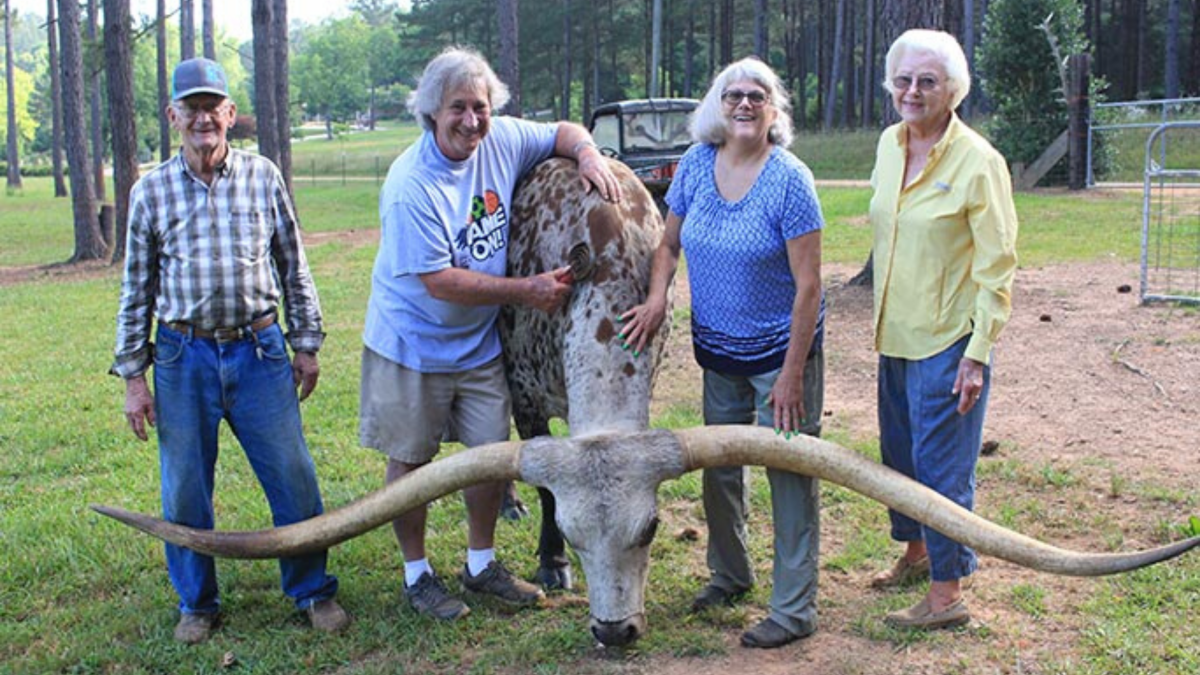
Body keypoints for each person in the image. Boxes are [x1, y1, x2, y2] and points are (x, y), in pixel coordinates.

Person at [359, 46, 622, 621]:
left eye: (480, 106)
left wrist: (587, 152)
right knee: (411, 461)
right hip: (413, 342)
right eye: (458, 108)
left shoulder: (499, 138)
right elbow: (439, 282)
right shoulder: (411, 185)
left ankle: (480, 565)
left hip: (476, 344)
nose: (472, 121)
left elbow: (562, 130)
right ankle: (417, 575)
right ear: (432, 111)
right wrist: (526, 291)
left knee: (491, 458)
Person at [112, 58, 349, 644]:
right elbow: (135, 288)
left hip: (260, 350)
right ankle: (197, 603)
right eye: (189, 108)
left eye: (212, 107)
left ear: (230, 114)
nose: (202, 119)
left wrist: (307, 343)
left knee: (292, 475)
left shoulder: (263, 176)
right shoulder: (150, 191)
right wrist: (133, 378)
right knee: (185, 485)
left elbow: (295, 266)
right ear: (173, 116)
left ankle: (312, 590)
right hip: (180, 356)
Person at [619, 57, 826, 649]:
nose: (743, 104)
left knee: (789, 475)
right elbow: (668, 242)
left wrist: (790, 376)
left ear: (772, 110)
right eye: (733, 94)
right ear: (717, 106)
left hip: (782, 357)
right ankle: (730, 575)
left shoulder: (790, 179)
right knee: (719, 472)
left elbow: (809, 285)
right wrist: (658, 297)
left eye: (756, 96)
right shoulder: (694, 165)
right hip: (718, 353)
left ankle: (793, 610)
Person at [866, 29, 1019, 630]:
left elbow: (997, 266)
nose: (912, 90)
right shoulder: (886, 145)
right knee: (900, 458)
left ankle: (948, 595)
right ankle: (916, 552)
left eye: (927, 81)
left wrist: (977, 354)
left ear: (952, 89)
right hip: (894, 335)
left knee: (942, 470)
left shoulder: (979, 161)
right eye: (903, 79)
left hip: (949, 342)